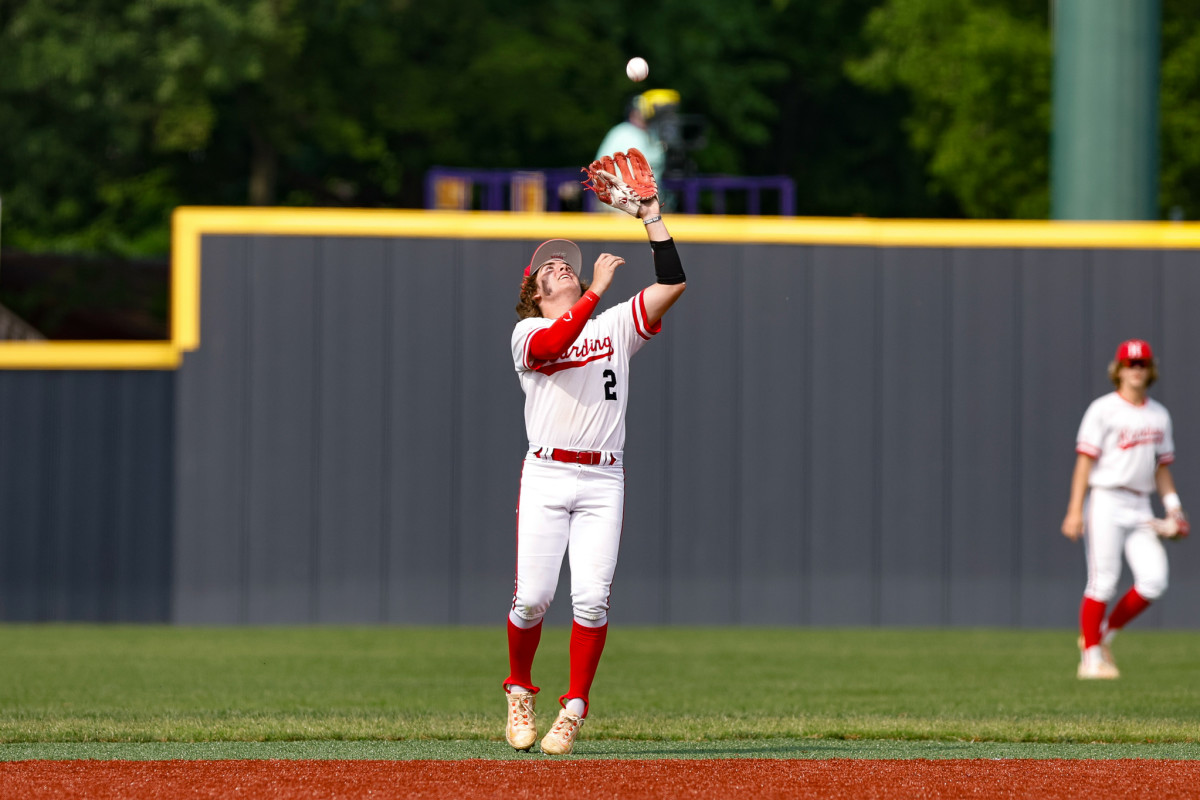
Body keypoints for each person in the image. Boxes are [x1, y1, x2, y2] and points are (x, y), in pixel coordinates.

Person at [502, 180, 686, 754]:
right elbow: (556, 345)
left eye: (567, 263)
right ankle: (519, 690)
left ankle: (574, 707)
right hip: (548, 474)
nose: (559, 265)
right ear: (533, 293)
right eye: (547, 268)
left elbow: (673, 282)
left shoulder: (615, 325)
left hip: (603, 477)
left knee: (591, 600)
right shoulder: (527, 332)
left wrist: (652, 218)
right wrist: (596, 291)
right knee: (532, 598)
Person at [1061, 338, 1187, 680]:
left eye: (1142, 363)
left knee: (1154, 580)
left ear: (1151, 369)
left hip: (1140, 502)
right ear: (1118, 369)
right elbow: (1084, 463)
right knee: (1103, 581)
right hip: (1106, 497)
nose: (1137, 369)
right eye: (1130, 364)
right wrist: (1075, 510)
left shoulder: (1159, 415)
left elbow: (1161, 467)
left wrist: (1174, 509)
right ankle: (1090, 661)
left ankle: (1102, 638)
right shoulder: (1103, 409)